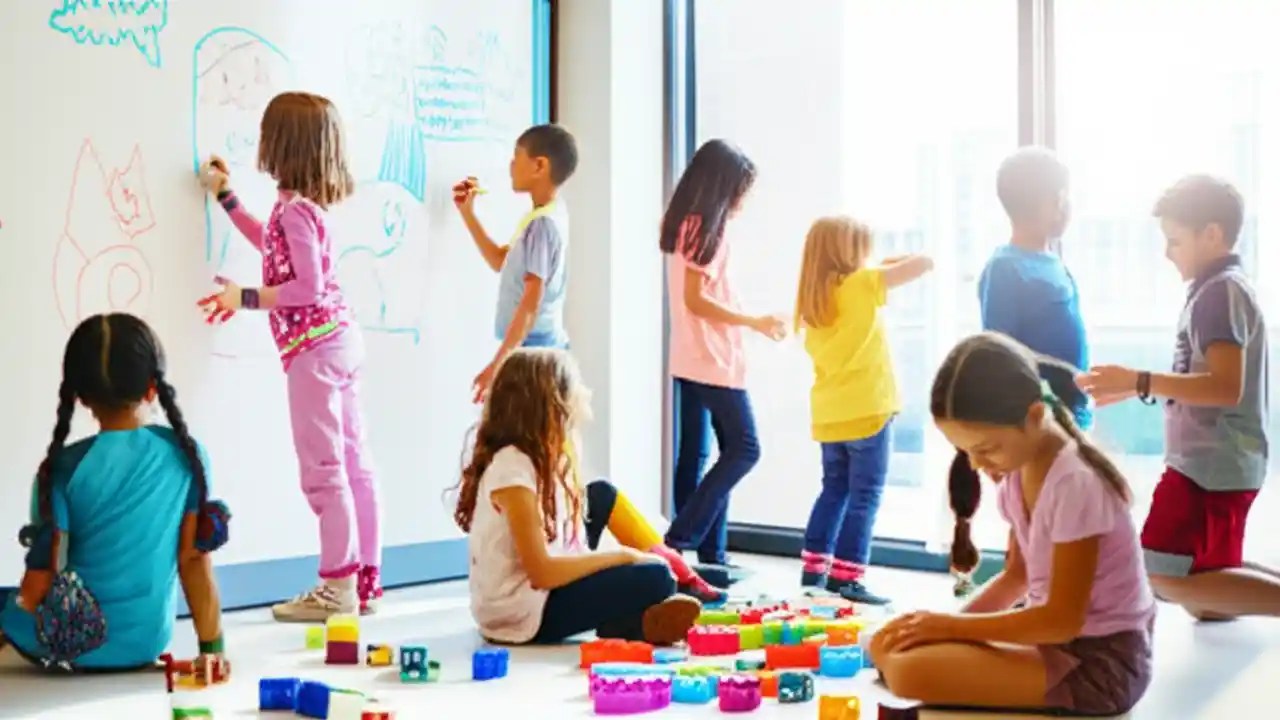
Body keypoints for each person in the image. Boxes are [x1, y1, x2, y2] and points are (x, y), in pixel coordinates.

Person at [871, 332, 1155, 716]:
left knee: (908, 672)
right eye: (966, 452)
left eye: (985, 449)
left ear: (1035, 416)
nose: (975, 465)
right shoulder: (1018, 474)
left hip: (1101, 663)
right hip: (1056, 644)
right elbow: (1016, 578)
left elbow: (1061, 621)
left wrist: (950, 631)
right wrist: (937, 630)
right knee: (885, 646)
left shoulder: (1075, 483)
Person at [197, 91, 383, 621]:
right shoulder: (299, 209)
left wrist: (245, 298)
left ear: (281, 144)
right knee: (354, 464)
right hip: (339, 342)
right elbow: (271, 245)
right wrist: (228, 199)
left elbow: (307, 288)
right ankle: (363, 581)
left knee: (324, 471)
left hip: (315, 350)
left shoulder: (297, 214)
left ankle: (337, 587)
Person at [1078, 174, 1280, 619]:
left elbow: (1226, 387)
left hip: (1209, 466)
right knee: (1205, 592)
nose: (1167, 253)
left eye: (1174, 241)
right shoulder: (1224, 288)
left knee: (1158, 572)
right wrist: (1135, 386)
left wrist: (1140, 381)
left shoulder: (1218, 293)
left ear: (1211, 234)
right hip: (1222, 462)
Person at [0, 314, 228, 671]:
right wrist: (212, 650)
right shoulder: (188, 457)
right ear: (153, 387)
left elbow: (41, 580)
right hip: (147, 641)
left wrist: (16, 615)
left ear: (79, 396)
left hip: (73, 645)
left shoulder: (62, 469)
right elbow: (194, 560)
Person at [454, 349, 704, 644]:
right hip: (521, 611)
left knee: (600, 496)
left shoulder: (549, 453)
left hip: (544, 587)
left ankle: (657, 593)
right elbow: (542, 573)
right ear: (552, 402)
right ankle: (637, 616)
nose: (586, 393)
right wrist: (621, 557)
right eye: (577, 387)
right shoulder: (512, 472)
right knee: (655, 578)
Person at [661, 139, 787, 581]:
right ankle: (679, 540)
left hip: (688, 355)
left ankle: (710, 556)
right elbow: (698, 300)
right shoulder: (706, 231)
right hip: (711, 357)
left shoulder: (684, 224)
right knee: (744, 448)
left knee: (696, 453)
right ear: (725, 187)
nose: (744, 200)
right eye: (742, 190)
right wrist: (753, 321)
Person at [794, 216, 933, 604]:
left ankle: (814, 571)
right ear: (852, 254)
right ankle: (847, 577)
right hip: (868, 409)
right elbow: (925, 263)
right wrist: (877, 264)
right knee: (865, 495)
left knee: (833, 490)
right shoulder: (863, 284)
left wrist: (870, 264)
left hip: (830, 414)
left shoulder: (812, 297)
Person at [453, 124, 578, 402]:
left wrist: (497, 365)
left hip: (535, 357)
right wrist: (468, 214)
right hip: (532, 351)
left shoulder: (542, 225)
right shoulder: (543, 216)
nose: (511, 165)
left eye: (516, 156)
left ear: (539, 166)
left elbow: (530, 304)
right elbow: (500, 261)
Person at [978, 147, 1090, 428]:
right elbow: (1001, 357)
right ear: (1056, 202)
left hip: (1073, 416)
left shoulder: (1054, 262)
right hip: (1038, 424)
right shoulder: (1004, 268)